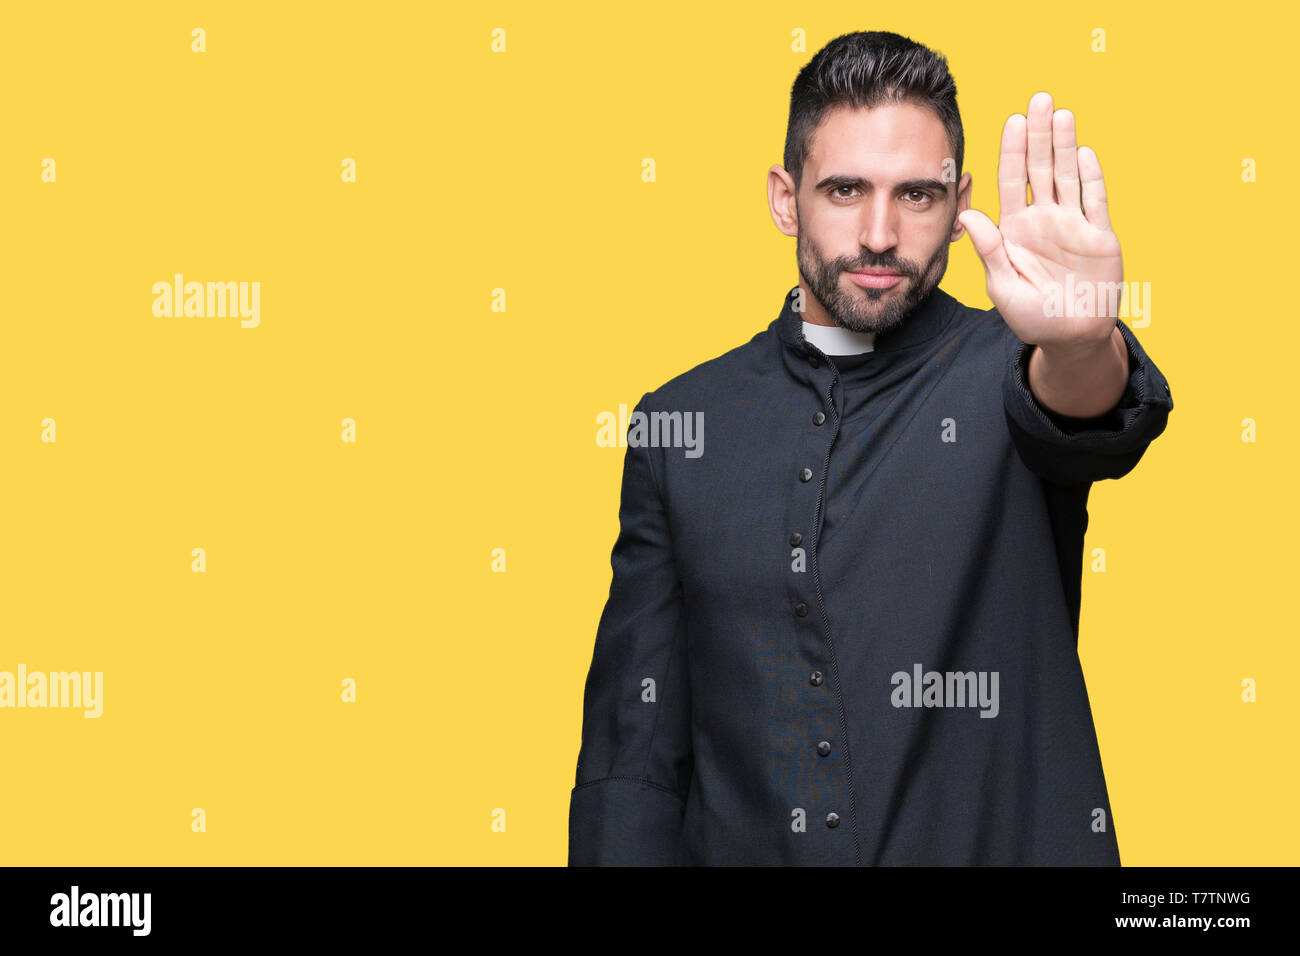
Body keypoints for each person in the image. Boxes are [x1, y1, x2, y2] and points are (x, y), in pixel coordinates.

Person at [568, 30, 1173, 865]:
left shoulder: (1012, 368)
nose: (881, 234)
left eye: (917, 196)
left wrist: (1076, 340)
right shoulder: (683, 425)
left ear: (959, 206)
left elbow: (1084, 413)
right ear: (786, 198)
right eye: (846, 190)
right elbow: (631, 759)